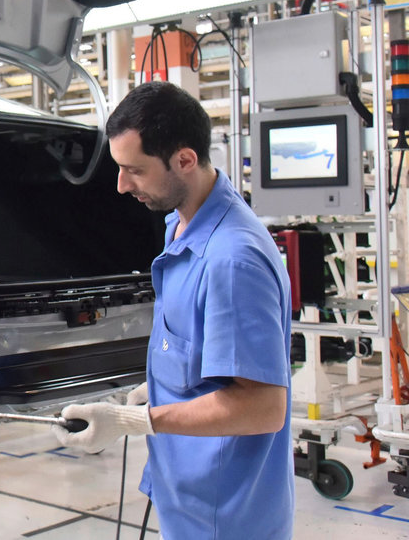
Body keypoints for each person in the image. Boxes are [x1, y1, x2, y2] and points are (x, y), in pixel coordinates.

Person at [52, 81, 294, 540]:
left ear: (184, 159)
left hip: (224, 514)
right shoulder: (182, 227)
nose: (122, 185)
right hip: (185, 493)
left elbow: (263, 407)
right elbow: (196, 346)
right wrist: (161, 387)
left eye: (135, 171)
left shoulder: (230, 259)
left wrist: (133, 421)